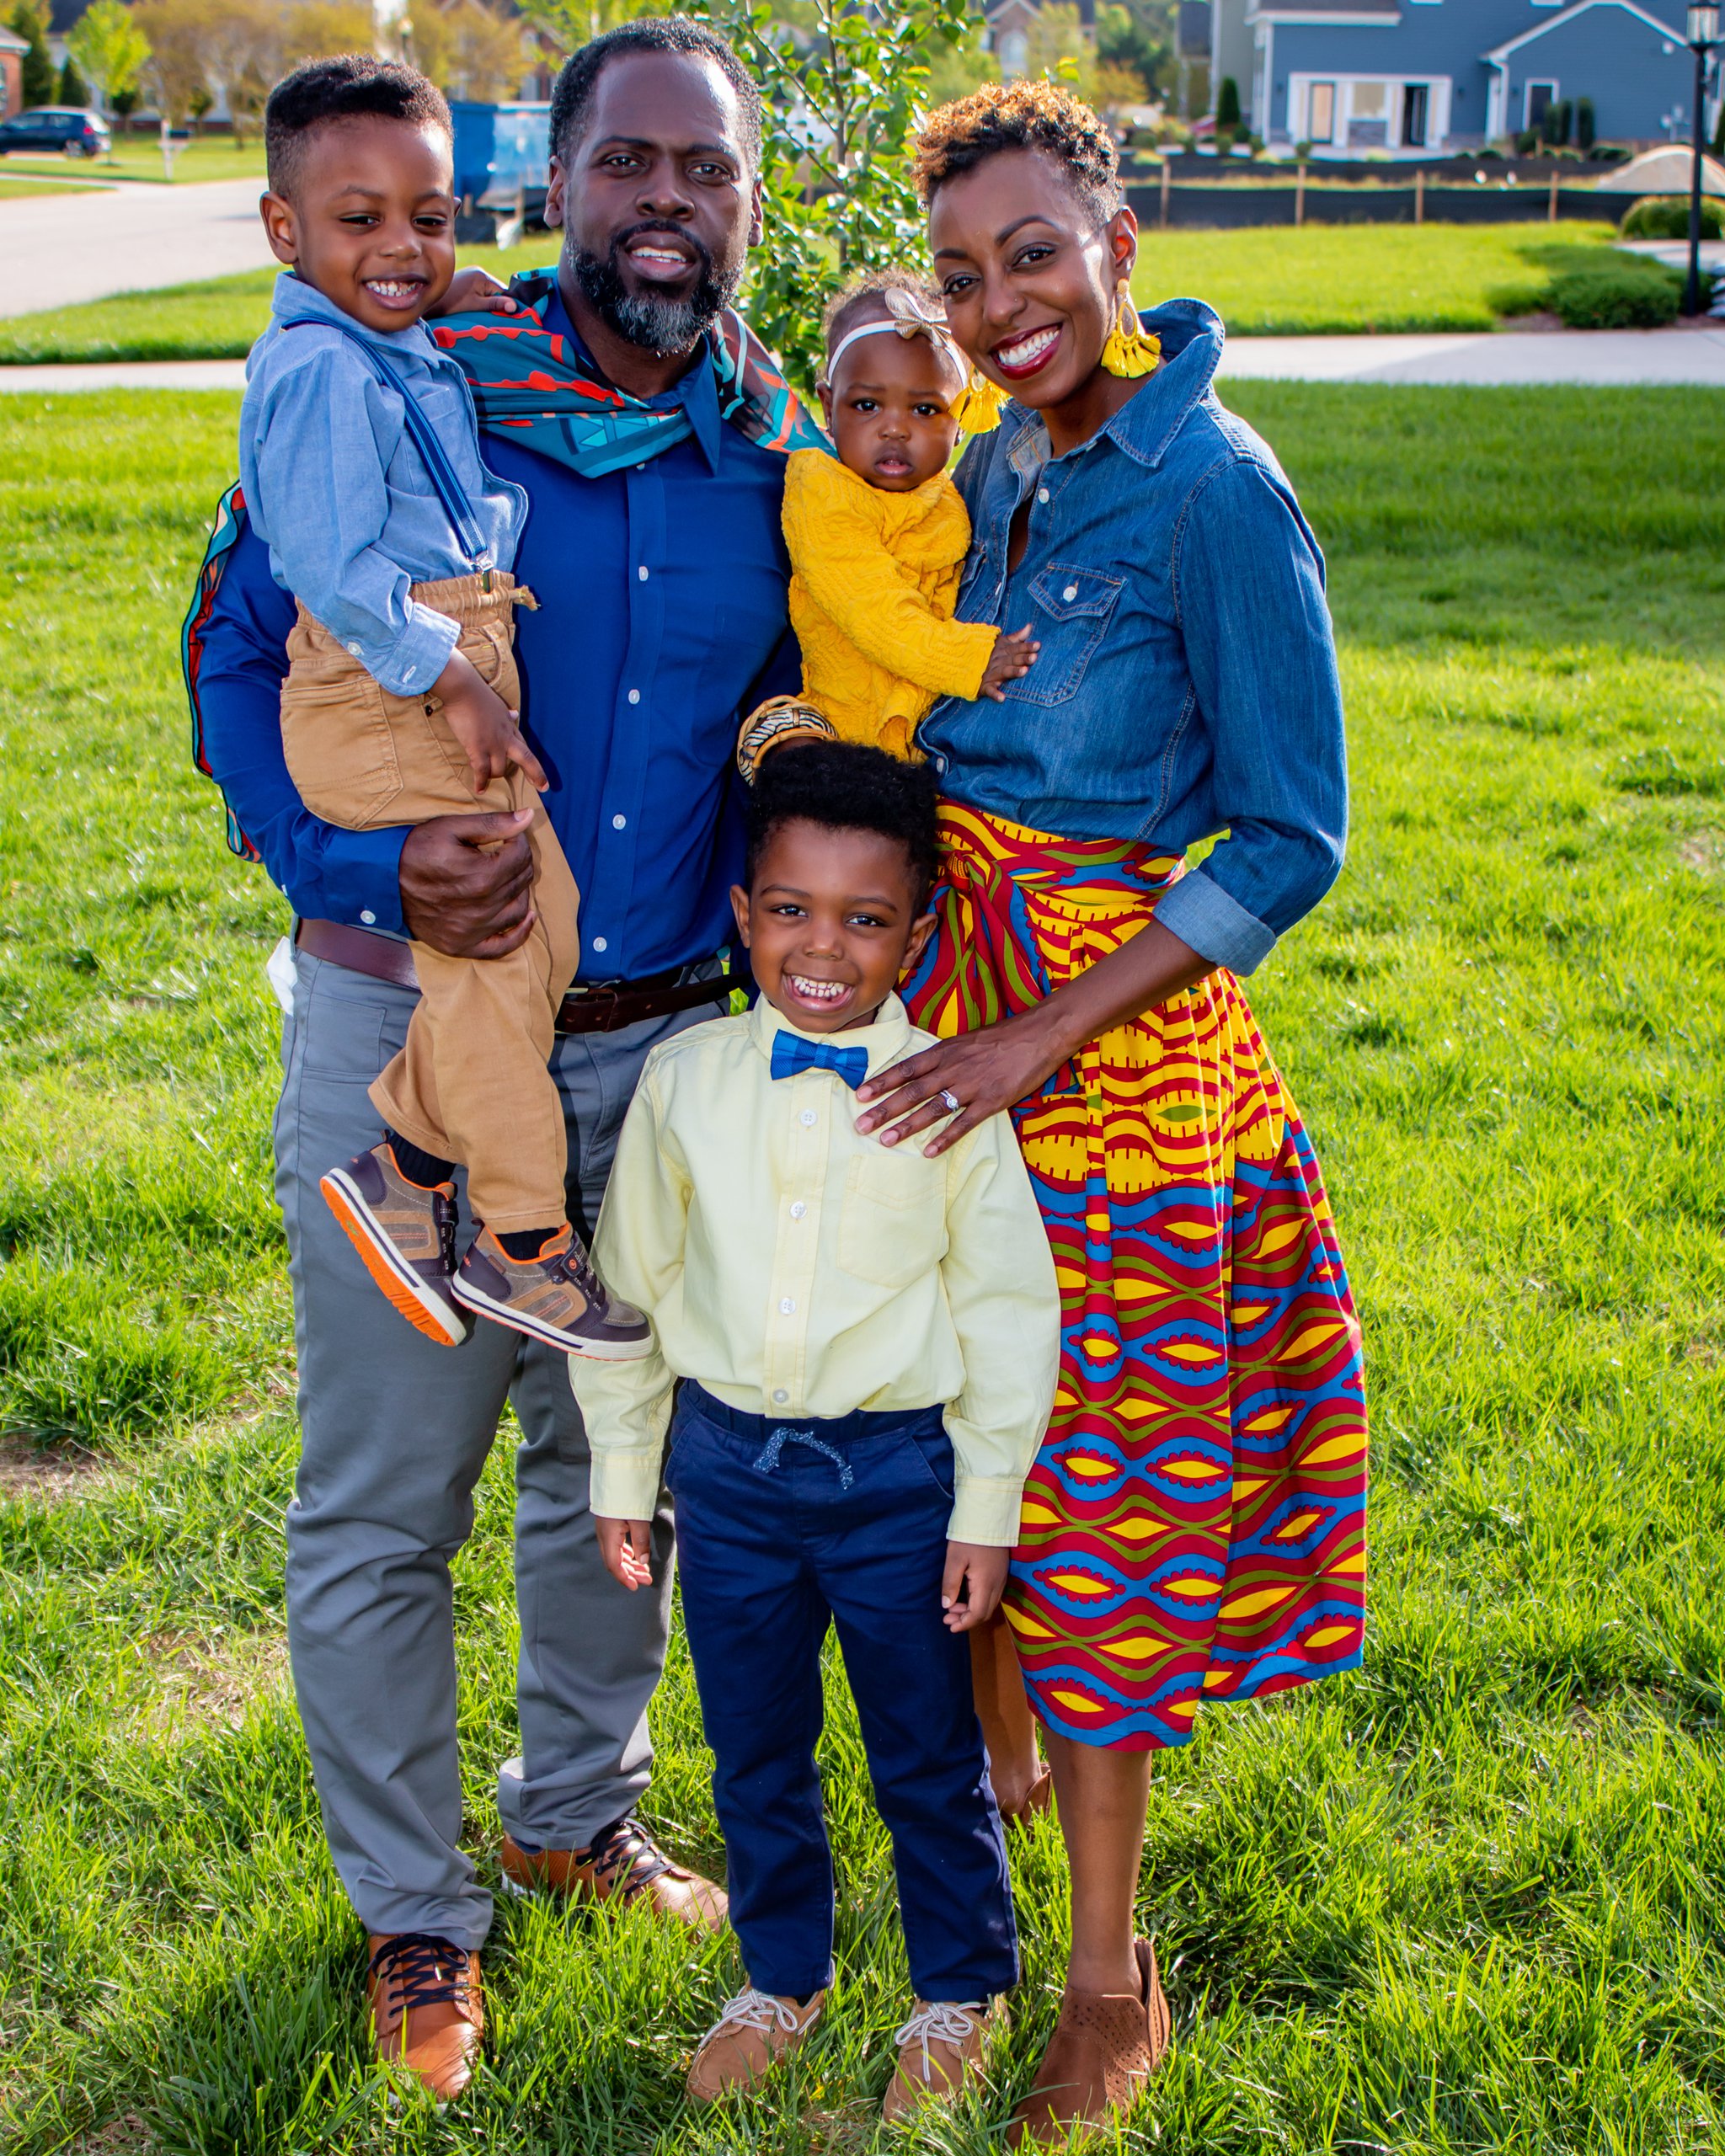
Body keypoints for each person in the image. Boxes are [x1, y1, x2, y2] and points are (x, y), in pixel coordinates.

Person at [190, 19, 827, 2099]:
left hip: (658, 1044)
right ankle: (412, 1918)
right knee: (388, 1498)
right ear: (552, 185)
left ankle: (573, 1809)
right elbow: (231, 653)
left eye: (705, 172)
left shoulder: (772, 438)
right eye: (625, 163)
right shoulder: (413, 375)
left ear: (742, 201)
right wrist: (357, 848)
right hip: (409, 1026)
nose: (666, 201)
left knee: (607, 1468)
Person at [852, 80, 1370, 2144]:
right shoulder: (997, 476)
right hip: (950, 1031)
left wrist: (1028, 1033)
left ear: (1117, 245)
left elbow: (1293, 831)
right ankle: (972, 1882)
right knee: (952, 1465)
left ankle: (1103, 1974)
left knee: (1094, 1521)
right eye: (964, 276)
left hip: (1115, 1080)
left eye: (1033, 257)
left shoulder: (1210, 488)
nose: (997, 308)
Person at [574, 740, 1060, 2117]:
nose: (822, 948)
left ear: (919, 930)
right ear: (742, 913)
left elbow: (1009, 1315)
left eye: (863, 918)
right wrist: (625, 1468)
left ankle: (958, 1988)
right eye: (789, 909)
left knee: (923, 1750)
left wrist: (980, 1509)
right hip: (726, 1476)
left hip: (897, 1480)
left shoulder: (951, 1101)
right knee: (753, 1745)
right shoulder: (686, 1083)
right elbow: (631, 1289)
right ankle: (780, 1974)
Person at [241, 56, 648, 1363]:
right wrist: (456, 676)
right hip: (384, 687)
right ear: (283, 229)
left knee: (552, 924)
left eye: (430, 216)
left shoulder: (387, 341)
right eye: (360, 222)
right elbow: (329, 568)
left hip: (437, 661)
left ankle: (409, 1160)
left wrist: (435, 300)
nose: (403, 245)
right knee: (488, 959)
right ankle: (522, 1244)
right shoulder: (314, 371)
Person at [739, 272, 1037, 774]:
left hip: (922, 741)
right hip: (840, 731)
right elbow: (873, 610)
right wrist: (970, 659)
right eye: (867, 405)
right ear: (828, 407)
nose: (895, 428)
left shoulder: (948, 498)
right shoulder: (821, 489)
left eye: (924, 408)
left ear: (959, 419)